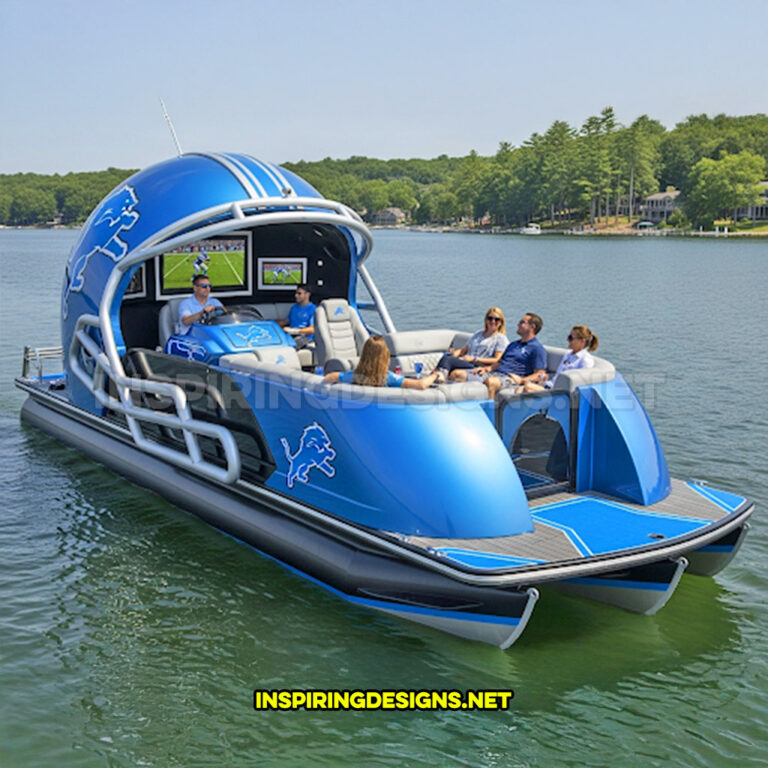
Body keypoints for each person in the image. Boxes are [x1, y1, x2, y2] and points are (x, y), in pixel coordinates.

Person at [324, 336, 441, 390]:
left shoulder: (353, 376)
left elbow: (330, 377)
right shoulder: (388, 379)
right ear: (385, 356)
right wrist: (435, 375)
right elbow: (420, 385)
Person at [473, 312, 546, 399]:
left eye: (522, 322)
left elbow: (540, 374)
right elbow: (500, 363)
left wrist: (522, 380)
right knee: (458, 374)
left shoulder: (537, 348)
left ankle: (488, 411)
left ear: (532, 327)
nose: (518, 324)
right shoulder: (513, 344)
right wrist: (486, 368)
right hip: (495, 373)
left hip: (510, 379)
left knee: (491, 382)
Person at [432, 307, 509, 383]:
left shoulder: (500, 339)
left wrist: (474, 359)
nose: (493, 321)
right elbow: (463, 351)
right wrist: (453, 354)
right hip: (467, 363)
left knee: (448, 361)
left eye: (497, 319)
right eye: (490, 318)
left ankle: (437, 378)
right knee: (447, 356)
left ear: (501, 322)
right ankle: (437, 376)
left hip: (478, 366)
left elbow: (497, 359)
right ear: (486, 320)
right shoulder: (478, 334)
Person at [520, 325, 599, 392]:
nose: (568, 340)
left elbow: (581, 383)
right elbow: (557, 376)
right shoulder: (568, 355)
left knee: (527, 387)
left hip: (560, 393)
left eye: (571, 338)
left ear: (582, 341)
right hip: (550, 386)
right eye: (568, 337)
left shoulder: (585, 360)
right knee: (521, 388)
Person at [279, 284, 316, 350]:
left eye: (299, 293)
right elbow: (286, 321)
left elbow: (313, 329)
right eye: (296, 293)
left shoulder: (313, 309)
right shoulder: (294, 308)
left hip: (305, 337)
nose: (296, 295)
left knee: (287, 347)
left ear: (307, 294)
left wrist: (295, 331)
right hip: (291, 334)